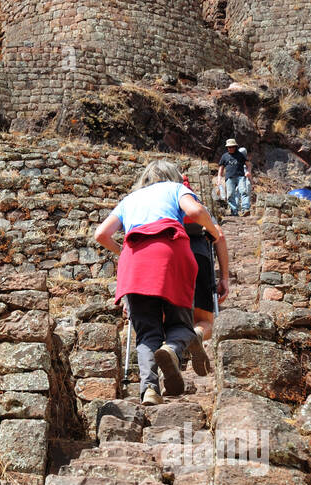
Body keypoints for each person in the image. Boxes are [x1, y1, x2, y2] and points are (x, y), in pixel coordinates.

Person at [94, 160, 226, 405]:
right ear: (173, 175)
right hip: (171, 254)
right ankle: (173, 349)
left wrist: (122, 250)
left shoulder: (129, 200)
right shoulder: (176, 189)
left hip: (135, 261)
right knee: (180, 320)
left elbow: (100, 234)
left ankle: (149, 391)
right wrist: (214, 232)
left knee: (146, 331)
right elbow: (195, 212)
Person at [181, 174, 231, 375]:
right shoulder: (200, 208)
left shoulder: (159, 208)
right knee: (206, 322)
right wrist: (224, 277)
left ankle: (172, 354)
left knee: (169, 320)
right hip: (199, 259)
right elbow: (220, 236)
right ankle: (197, 334)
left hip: (166, 263)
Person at [216, 138, 252, 215]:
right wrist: (219, 178)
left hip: (240, 177)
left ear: (235, 147)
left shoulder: (240, 155)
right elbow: (221, 168)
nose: (231, 148)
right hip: (229, 178)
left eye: (232, 147)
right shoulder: (224, 156)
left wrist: (248, 172)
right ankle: (234, 211)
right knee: (230, 195)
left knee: (243, 191)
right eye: (229, 147)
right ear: (227, 148)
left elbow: (248, 164)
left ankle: (245, 209)